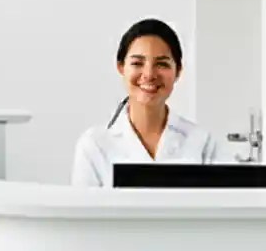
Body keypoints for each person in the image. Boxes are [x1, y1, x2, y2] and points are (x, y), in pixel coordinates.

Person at [71, 18, 224, 187]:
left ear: (178, 70)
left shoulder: (201, 142)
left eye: (162, 64)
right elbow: (86, 213)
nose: (149, 74)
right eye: (137, 63)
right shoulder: (95, 145)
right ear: (121, 67)